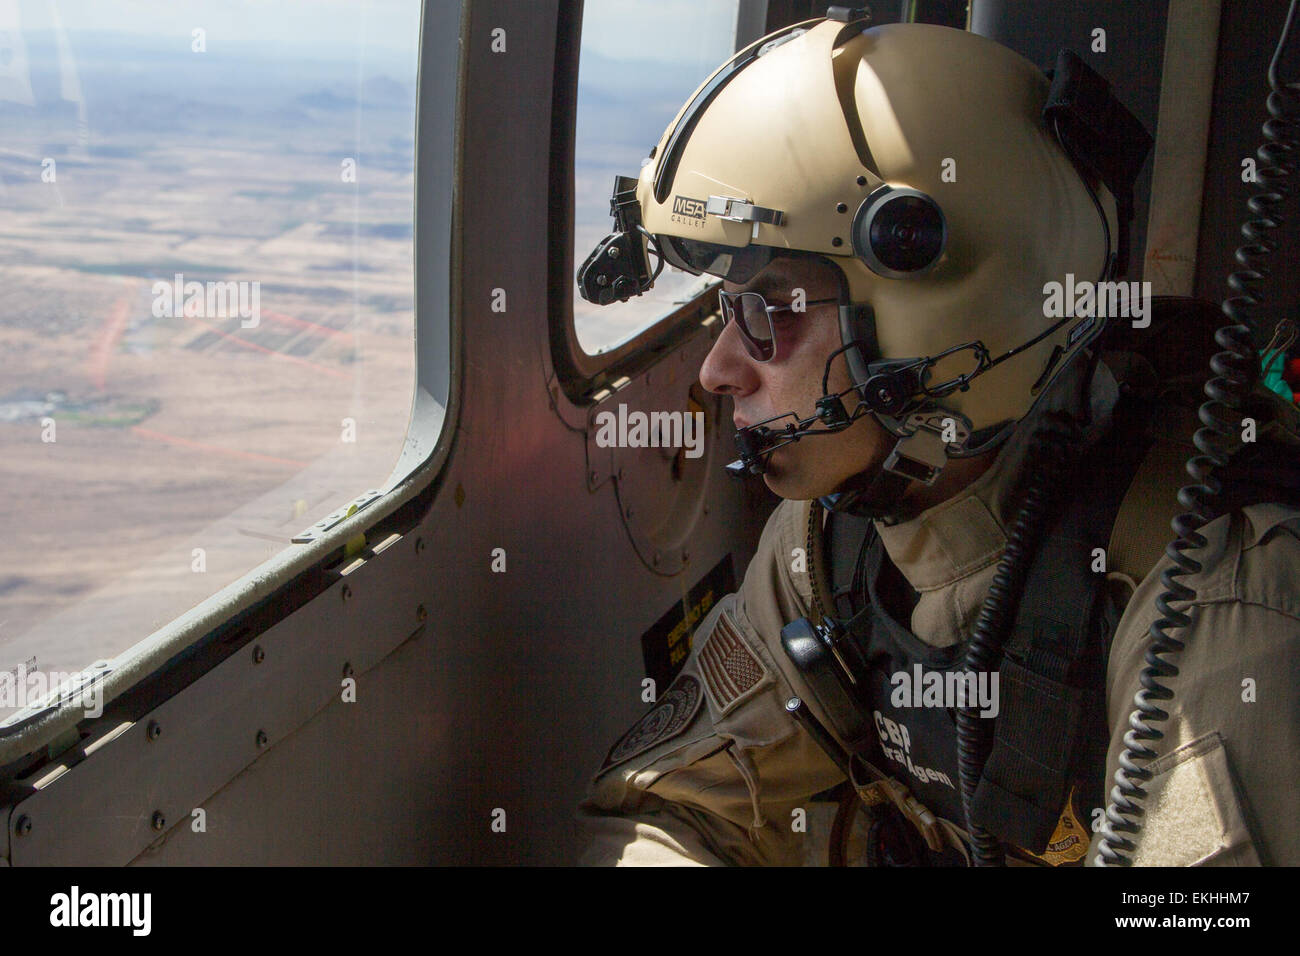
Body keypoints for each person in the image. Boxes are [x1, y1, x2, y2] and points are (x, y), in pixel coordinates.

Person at [575, 12, 1300, 866]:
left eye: (768, 313)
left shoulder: (1212, 598)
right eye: (725, 312)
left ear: (936, 324)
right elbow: (680, 812)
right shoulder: (830, 541)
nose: (717, 371)